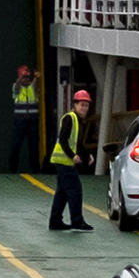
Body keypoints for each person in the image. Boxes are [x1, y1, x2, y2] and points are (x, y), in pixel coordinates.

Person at [46, 77, 96, 229]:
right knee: (75, 190)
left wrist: (88, 155)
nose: (84, 108)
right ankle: (77, 221)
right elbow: (63, 140)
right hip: (64, 162)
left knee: (62, 193)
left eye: (86, 105)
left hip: (62, 161)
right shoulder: (70, 118)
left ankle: (55, 221)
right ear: (75, 105)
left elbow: (78, 143)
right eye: (82, 105)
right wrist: (72, 156)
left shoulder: (78, 120)